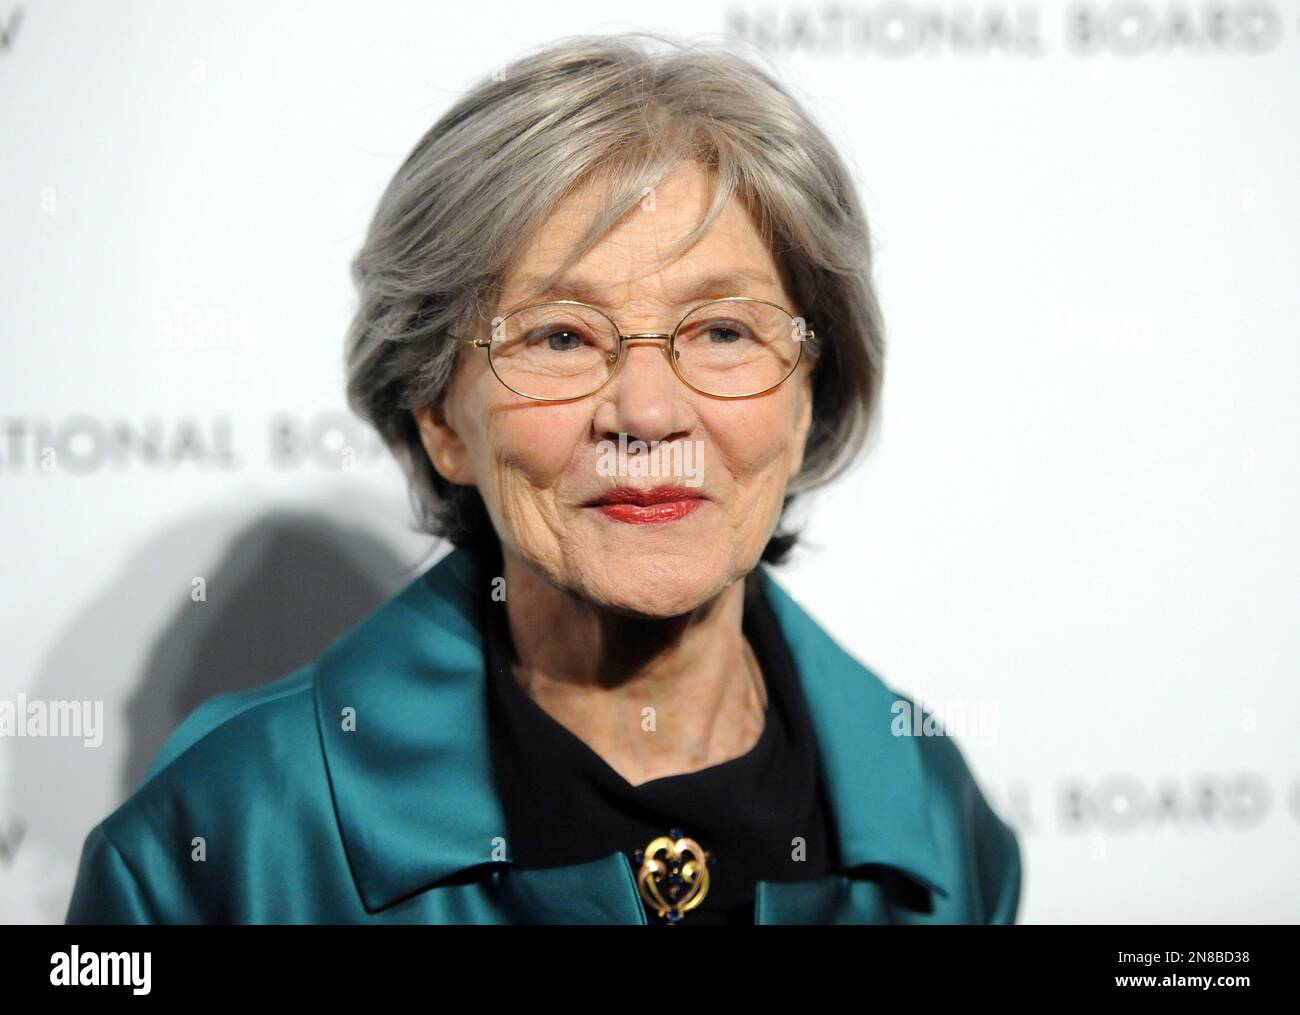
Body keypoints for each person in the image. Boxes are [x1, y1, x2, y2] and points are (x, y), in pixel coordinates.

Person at [65, 32, 1021, 925]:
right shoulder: (222, 840)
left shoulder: (934, 816)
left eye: (724, 331)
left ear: (810, 392)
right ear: (439, 415)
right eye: (561, 337)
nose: (647, 414)